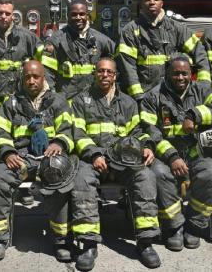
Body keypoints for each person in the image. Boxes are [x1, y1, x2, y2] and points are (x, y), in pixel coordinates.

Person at [69, 58, 161, 270]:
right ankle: (88, 244)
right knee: (82, 179)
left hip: (123, 160)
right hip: (93, 160)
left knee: (145, 176)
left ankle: (145, 242)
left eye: (109, 72)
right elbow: (78, 134)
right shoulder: (81, 101)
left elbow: (137, 132)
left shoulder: (128, 103)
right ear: (95, 73)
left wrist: (146, 146)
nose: (104, 75)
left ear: (115, 76)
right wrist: (93, 155)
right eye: (100, 71)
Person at [0, 60, 76, 262]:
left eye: (36, 76)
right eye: (27, 77)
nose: (31, 80)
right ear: (22, 78)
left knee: (61, 178)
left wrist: (59, 143)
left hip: (49, 160)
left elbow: (68, 130)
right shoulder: (11, 103)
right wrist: (7, 153)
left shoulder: (58, 102)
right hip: (21, 160)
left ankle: (60, 239)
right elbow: (0, 132)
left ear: (44, 78)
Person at [139, 57, 212, 251]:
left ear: (191, 74)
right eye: (176, 73)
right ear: (167, 73)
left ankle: (195, 225)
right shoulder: (152, 97)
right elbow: (149, 131)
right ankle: (173, 227)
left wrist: (194, 115)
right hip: (165, 155)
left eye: (184, 73)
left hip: (197, 152)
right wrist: (172, 157)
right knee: (160, 174)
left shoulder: (202, 90)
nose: (180, 77)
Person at [116, 0, 210, 100]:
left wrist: (204, 84)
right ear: (141, 4)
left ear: (161, 3)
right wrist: (138, 96)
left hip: (175, 96)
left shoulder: (176, 28)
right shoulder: (130, 31)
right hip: (146, 96)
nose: (152, 2)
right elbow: (127, 67)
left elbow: (199, 52)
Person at [40, 1, 115, 100]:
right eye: (74, 14)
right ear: (67, 16)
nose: (78, 17)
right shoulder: (56, 41)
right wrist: (53, 99)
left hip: (95, 101)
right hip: (67, 100)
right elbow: (47, 74)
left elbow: (114, 67)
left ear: (87, 16)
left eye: (82, 14)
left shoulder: (101, 40)